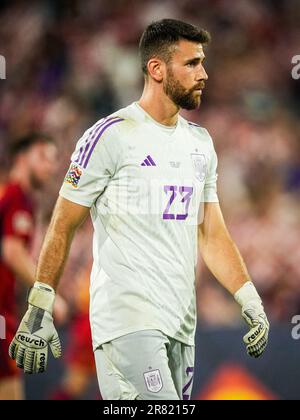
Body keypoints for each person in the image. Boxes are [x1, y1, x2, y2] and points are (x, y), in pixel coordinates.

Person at [9, 19, 269, 400]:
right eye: (192, 63)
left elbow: (211, 234)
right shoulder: (111, 135)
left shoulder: (200, 143)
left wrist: (249, 298)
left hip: (180, 323)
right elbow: (63, 224)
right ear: (157, 69)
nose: (205, 74)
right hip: (126, 321)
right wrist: (40, 303)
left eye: (203, 63)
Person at [0, 133, 66, 400]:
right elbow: (12, 251)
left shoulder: (9, 195)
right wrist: (48, 295)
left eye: (53, 161)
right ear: (21, 157)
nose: (50, 166)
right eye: (43, 157)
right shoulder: (17, 197)